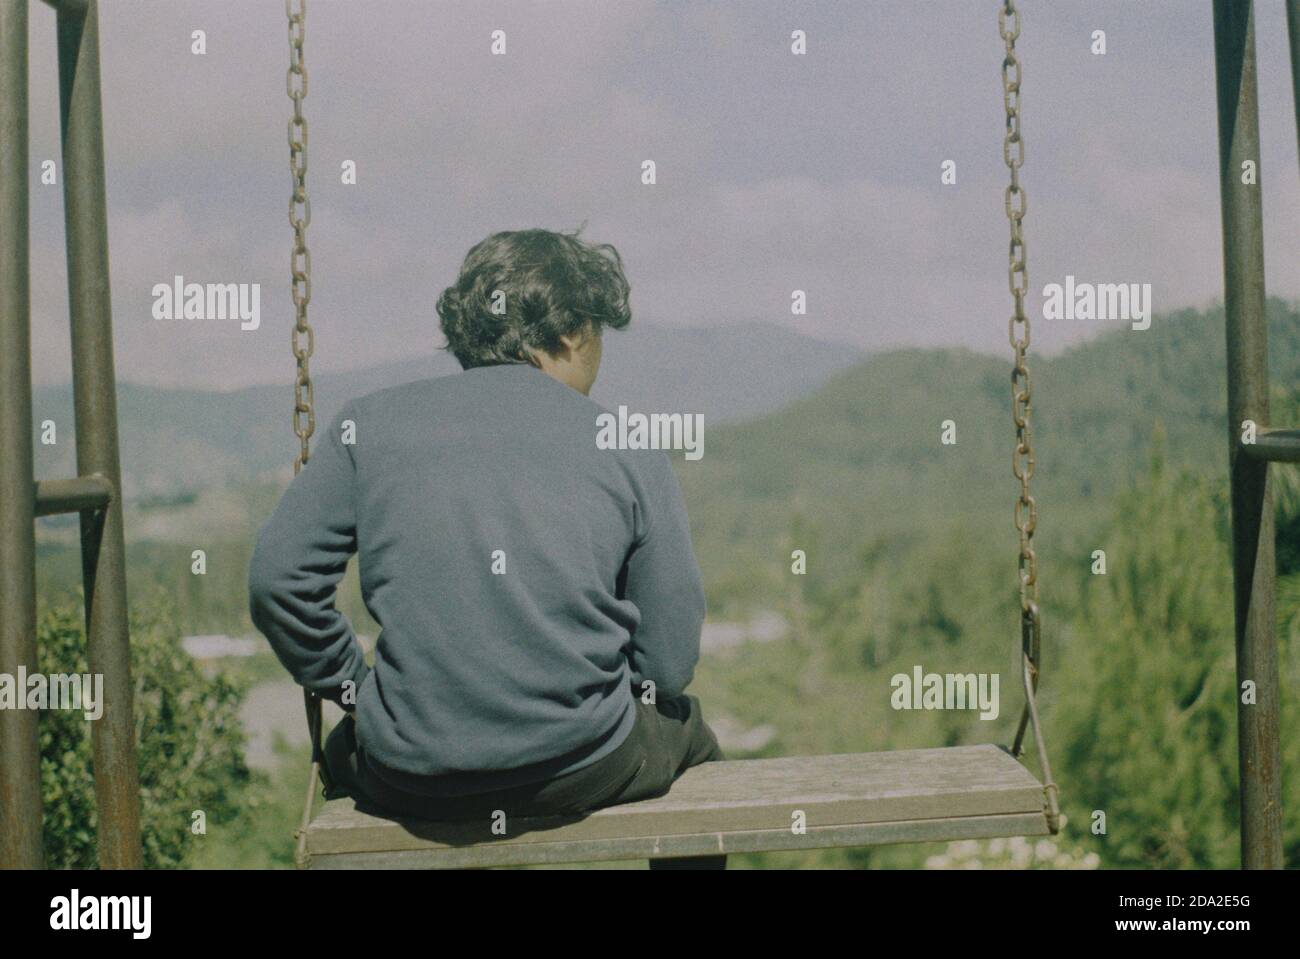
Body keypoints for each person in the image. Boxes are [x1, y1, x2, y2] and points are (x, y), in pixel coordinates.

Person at [248, 228, 725, 869]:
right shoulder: (626, 440)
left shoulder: (369, 423)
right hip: (583, 767)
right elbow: (667, 666)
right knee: (689, 737)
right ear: (569, 333)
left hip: (411, 775)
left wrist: (358, 690)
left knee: (344, 754)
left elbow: (278, 582)